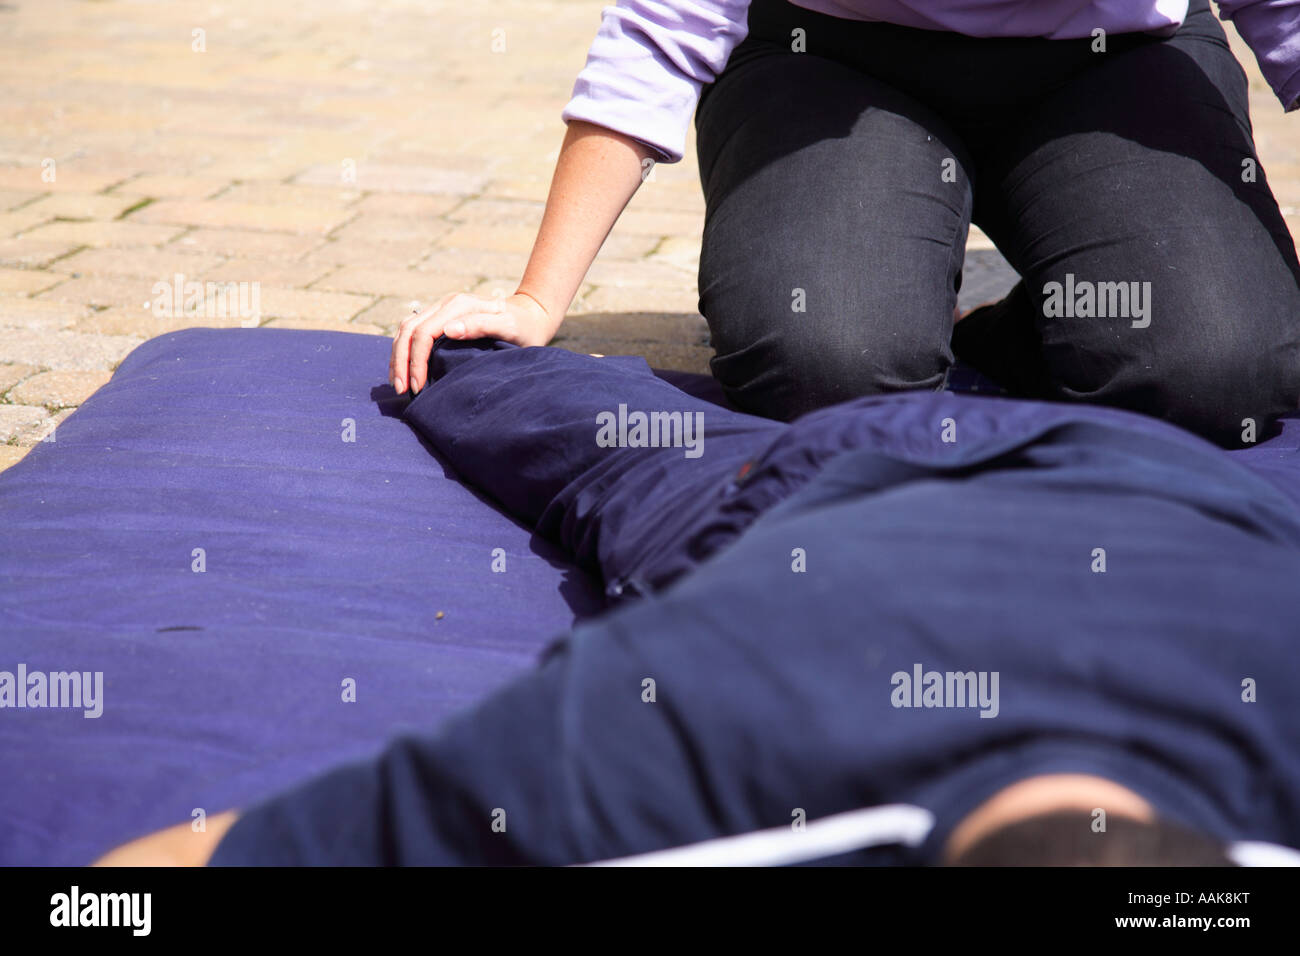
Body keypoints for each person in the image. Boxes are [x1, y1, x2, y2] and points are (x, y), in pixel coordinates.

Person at [98, 338, 1300, 865]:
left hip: (1166, 480)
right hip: (862, 471)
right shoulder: (666, 741)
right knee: (587, 443)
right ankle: (474, 358)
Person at [390, 0, 1300, 448]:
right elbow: (664, 24)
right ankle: (909, 301)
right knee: (828, 359)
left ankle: (1005, 331)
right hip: (829, 54)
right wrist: (536, 298)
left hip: (1113, 58)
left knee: (1219, 364)